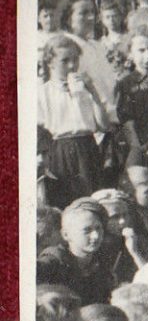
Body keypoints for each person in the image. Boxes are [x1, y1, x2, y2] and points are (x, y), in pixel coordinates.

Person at [38, 36, 110, 207]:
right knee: (64, 200)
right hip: (59, 150)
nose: (72, 65)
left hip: (87, 147)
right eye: (65, 61)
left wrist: (92, 91)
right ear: (50, 63)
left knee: (92, 199)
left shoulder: (87, 89)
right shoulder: (43, 93)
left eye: (75, 59)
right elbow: (40, 130)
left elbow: (104, 125)